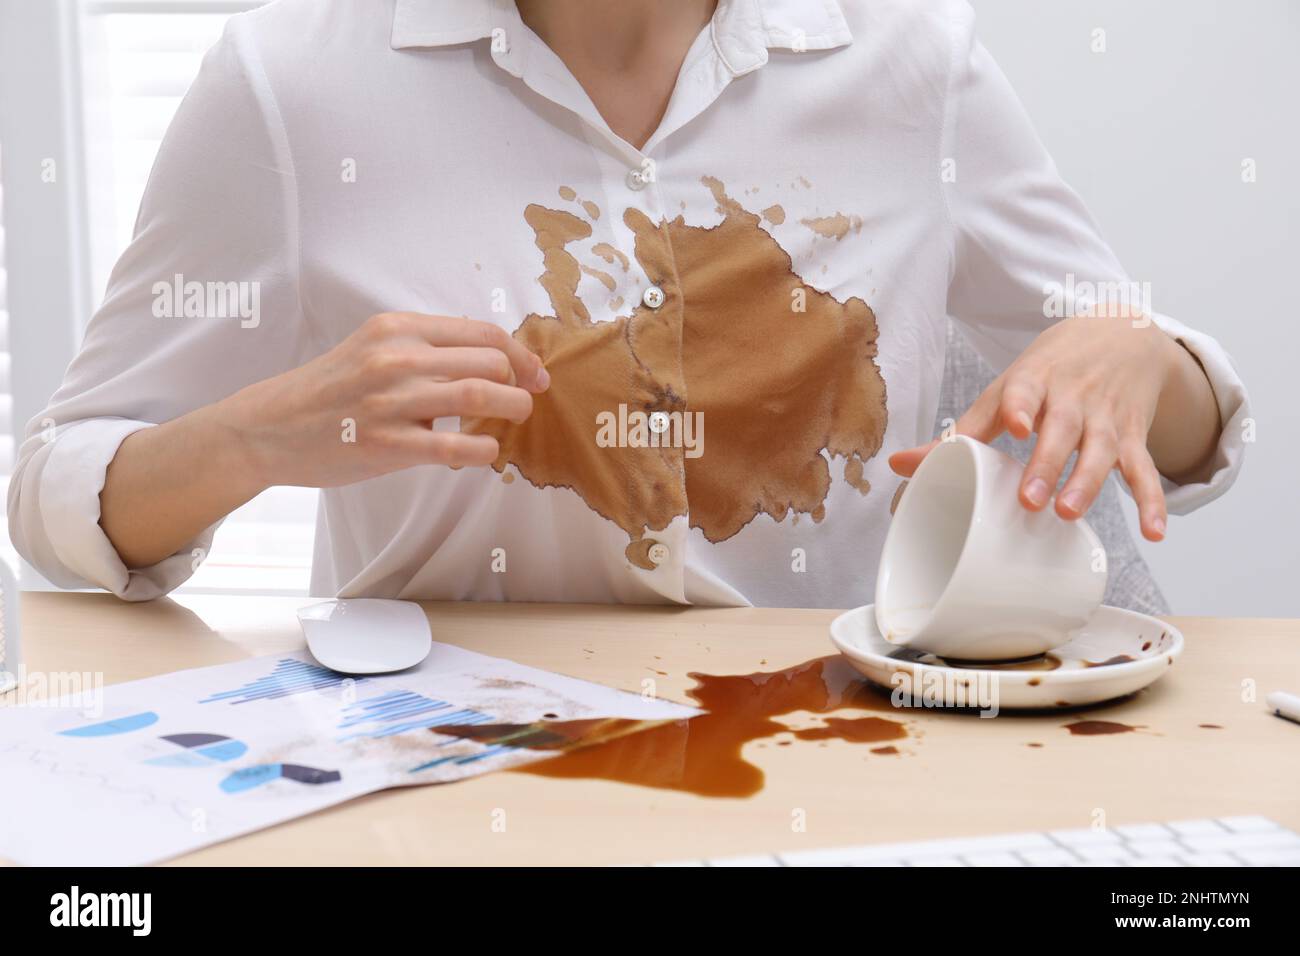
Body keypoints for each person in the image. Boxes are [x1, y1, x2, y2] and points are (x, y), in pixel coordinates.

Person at [8, 0, 1248, 607]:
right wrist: (255, 439)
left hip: (832, 752)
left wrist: (1142, 352)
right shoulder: (290, 83)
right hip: (448, 777)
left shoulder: (908, 61)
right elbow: (56, 486)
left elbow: (1181, 440)